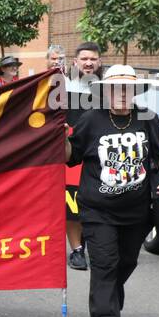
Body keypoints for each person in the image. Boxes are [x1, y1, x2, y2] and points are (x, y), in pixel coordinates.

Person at [65, 65, 159, 317]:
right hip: (98, 209)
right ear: (107, 93)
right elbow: (70, 156)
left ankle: (109, 300)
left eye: (128, 89)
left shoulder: (148, 118)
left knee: (126, 261)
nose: (122, 94)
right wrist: (59, 138)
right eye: (116, 89)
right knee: (104, 263)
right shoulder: (91, 120)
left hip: (136, 211)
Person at [64, 42, 103, 272]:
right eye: (84, 59)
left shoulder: (108, 90)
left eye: (93, 59)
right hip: (72, 155)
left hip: (101, 156)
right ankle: (77, 250)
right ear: (75, 62)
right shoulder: (62, 89)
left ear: (99, 62)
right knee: (72, 204)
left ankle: (94, 243)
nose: (89, 63)